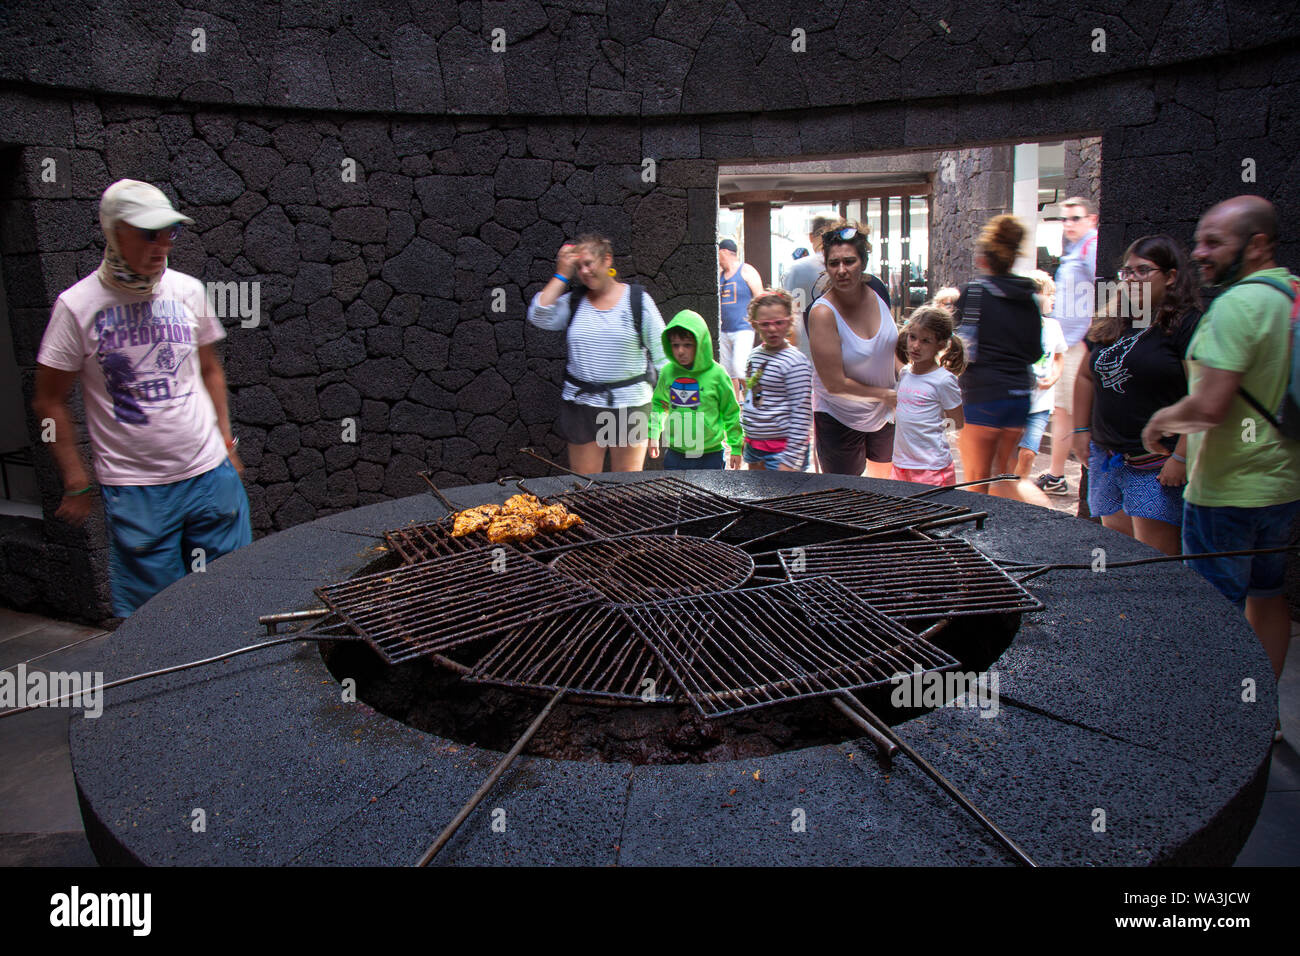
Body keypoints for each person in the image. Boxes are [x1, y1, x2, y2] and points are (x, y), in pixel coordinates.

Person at [31, 179, 250, 618]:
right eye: (149, 234)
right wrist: (75, 478)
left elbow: (209, 369)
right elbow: (49, 400)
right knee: (156, 618)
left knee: (235, 597)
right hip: (137, 489)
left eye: (170, 233)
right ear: (114, 233)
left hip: (210, 476)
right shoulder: (77, 306)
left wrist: (227, 444)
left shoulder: (187, 290)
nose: (161, 247)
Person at [1142, 196, 1300, 688]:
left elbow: (1209, 407)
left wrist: (1160, 421)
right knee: (1268, 596)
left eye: (1214, 242)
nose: (1199, 253)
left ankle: (1217, 717)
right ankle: (1263, 711)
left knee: (1213, 613)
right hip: (1283, 486)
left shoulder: (1236, 305)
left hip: (1227, 490)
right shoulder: (1293, 295)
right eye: (1198, 242)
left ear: (1257, 245)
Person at [1072, 236, 1202, 557]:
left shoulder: (1185, 325)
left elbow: (1201, 395)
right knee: (1116, 548)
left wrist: (1181, 457)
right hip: (1107, 458)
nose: (1132, 279)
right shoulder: (1114, 320)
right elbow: (1086, 375)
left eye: (1143, 271)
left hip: (1156, 464)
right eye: (1127, 272)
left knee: (1152, 558)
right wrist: (1080, 429)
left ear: (1170, 276)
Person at [527, 235, 667, 474]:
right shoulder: (574, 302)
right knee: (585, 485)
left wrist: (663, 413)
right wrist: (562, 274)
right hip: (582, 404)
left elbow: (664, 358)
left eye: (589, 263)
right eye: (578, 266)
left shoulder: (637, 301)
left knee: (626, 487)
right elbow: (538, 314)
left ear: (607, 260)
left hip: (630, 404)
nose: (584, 271)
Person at [952, 214, 1043, 499]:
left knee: (977, 483)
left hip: (982, 395)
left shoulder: (972, 294)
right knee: (1003, 475)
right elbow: (1035, 352)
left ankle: (1019, 520)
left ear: (983, 259)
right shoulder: (1028, 297)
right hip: (1018, 397)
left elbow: (960, 348)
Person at [805, 223, 900, 478]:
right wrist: (886, 394)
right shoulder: (822, 313)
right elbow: (835, 384)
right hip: (841, 416)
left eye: (849, 261)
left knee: (883, 486)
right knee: (845, 492)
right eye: (834, 263)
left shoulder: (878, 290)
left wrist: (910, 377)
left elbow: (889, 347)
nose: (841, 270)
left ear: (863, 262)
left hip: (884, 413)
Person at [1040, 196, 1099, 500]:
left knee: (1068, 411)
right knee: (1063, 410)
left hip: (1079, 343)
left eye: (1076, 218)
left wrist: (1093, 336)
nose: (1068, 224)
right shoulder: (1077, 249)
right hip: (1071, 341)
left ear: (1092, 219)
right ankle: (1057, 473)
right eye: (1065, 218)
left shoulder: (1092, 247)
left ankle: (1058, 475)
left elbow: (1107, 290)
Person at [647, 310, 742, 470]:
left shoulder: (718, 374)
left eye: (687, 345)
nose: (680, 351)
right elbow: (659, 405)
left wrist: (736, 446)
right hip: (676, 454)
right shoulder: (667, 372)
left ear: (700, 343)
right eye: (675, 345)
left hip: (710, 455)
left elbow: (730, 412)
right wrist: (654, 434)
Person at [891, 305, 965, 487]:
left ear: (941, 344)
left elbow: (957, 421)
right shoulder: (905, 373)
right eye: (913, 337)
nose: (916, 346)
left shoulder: (943, 380)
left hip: (931, 468)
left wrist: (930, 428)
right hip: (901, 464)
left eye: (926, 341)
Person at [739, 291, 814, 471]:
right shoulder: (754, 355)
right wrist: (746, 436)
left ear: (789, 321)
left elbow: (802, 414)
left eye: (778, 322)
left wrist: (790, 460)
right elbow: (751, 397)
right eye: (765, 324)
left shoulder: (795, 362)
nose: (772, 329)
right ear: (754, 324)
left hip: (782, 451)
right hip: (754, 446)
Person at [1014, 272, 1067, 481]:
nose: (1053, 298)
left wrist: (1053, 378)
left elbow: (1059, 357)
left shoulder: (1053, 327)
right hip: (1013, 402)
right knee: (1007, 455)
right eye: (1049, 294)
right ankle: (1005, 489)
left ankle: (1016, 490)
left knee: (1028, 453)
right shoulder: (1013, 327)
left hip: (1040, 404)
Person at [781, 215, 836, 358]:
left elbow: (793, 314)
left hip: (808, 353)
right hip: (846, 354)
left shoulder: (798, 269)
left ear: (811, 237)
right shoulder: (852, 266)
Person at [718, 239, 765, 396]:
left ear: (724, 252)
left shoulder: (746, 270)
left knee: (741, 368)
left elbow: (760, 297)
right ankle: (735, 405)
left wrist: (760, 324)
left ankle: (754, 398)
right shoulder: (721, 276)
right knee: (727, 373)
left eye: (718, 254)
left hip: (743, 328)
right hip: (724, 330)